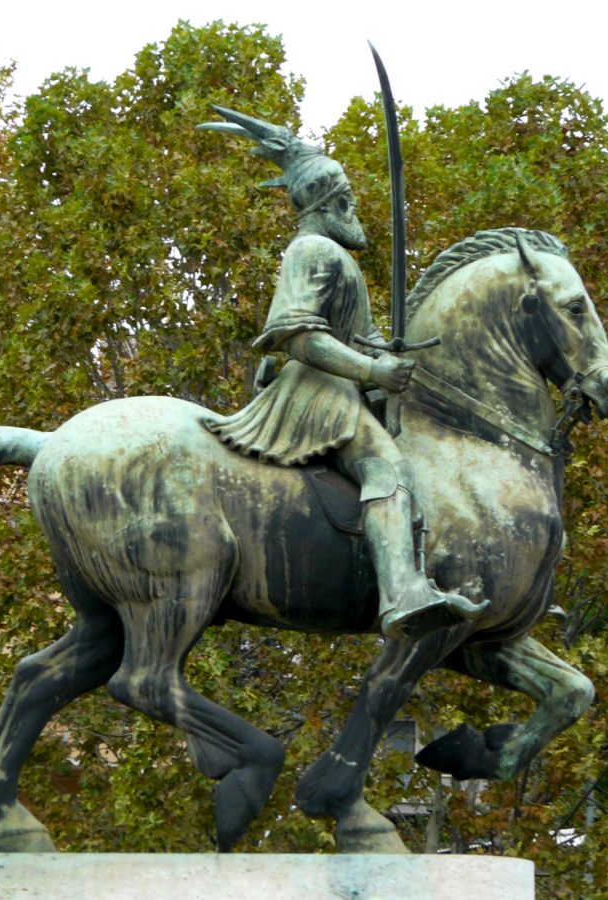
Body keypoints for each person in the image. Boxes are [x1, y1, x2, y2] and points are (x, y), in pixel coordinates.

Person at [198, 107, 488, 639]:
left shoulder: (336, 255)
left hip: (342, 386)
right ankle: (402, 593)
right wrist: (374, 369)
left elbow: (360, 336)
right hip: (316, 392)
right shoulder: (312, 250)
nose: (356, 209)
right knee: (389, 471)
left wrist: (395, 358)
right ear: (331, 204)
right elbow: (302, 338)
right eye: (348, 200)